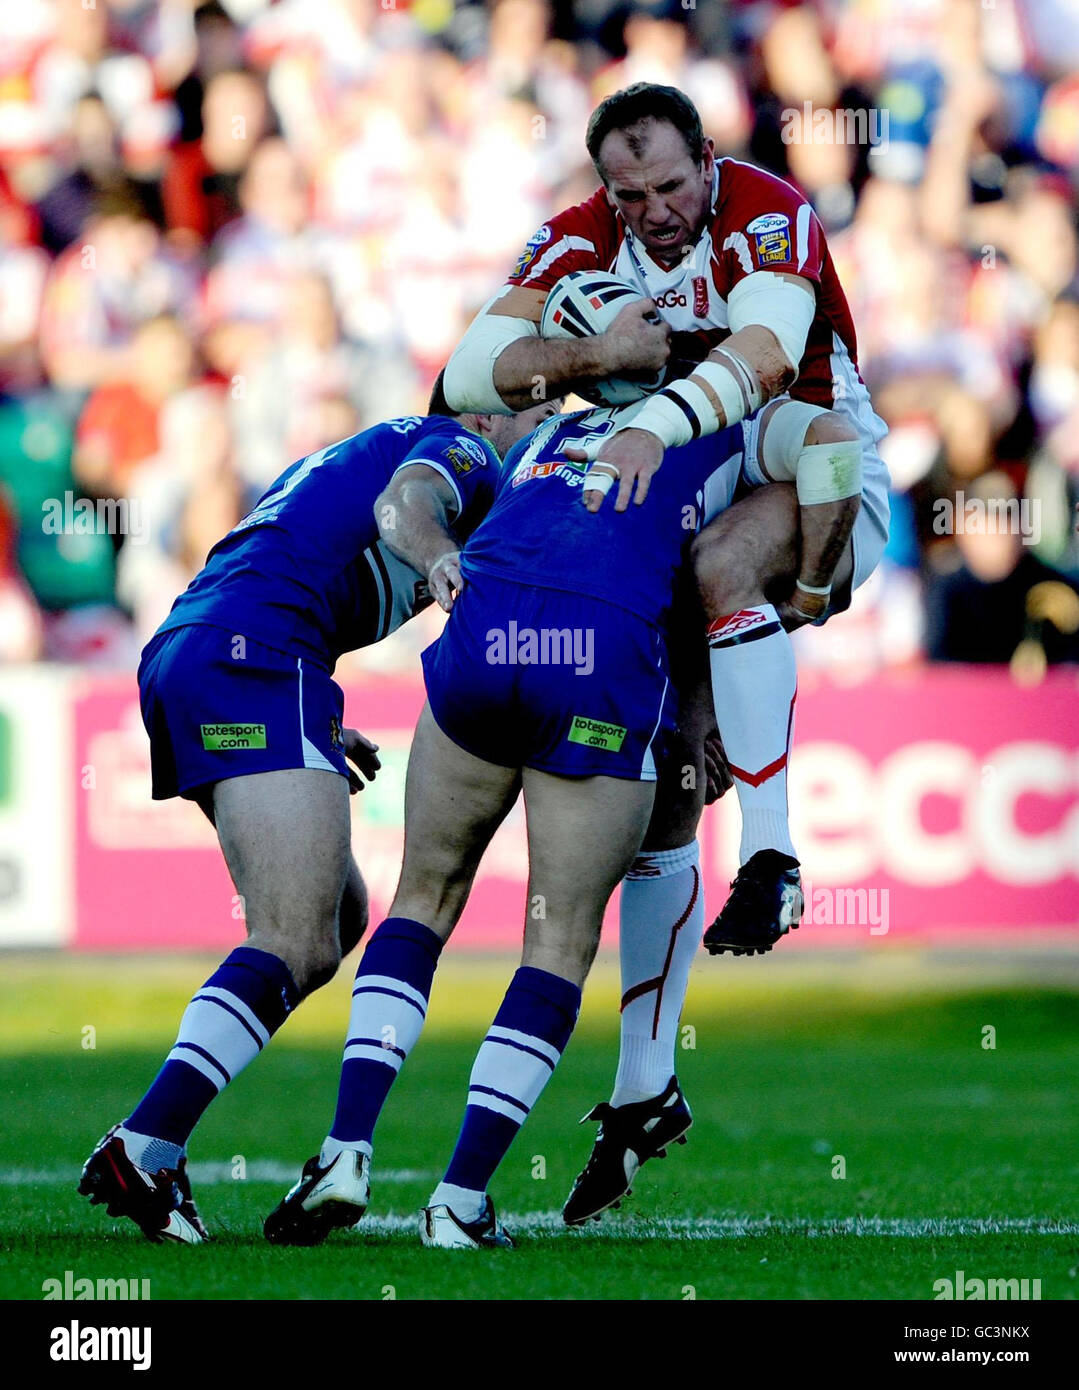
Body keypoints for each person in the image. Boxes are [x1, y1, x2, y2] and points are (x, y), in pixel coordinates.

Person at [264, 383, 859, 1247]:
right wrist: (806, 587)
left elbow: (433, 506)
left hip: (486, 623)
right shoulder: (738, 416)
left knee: (421, 901)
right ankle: (457, 1201)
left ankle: (344, 1149)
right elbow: (836, 444)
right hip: (598, 646)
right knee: (558, 941)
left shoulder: (550, 427)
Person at [78, 380, 555, 1244]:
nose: (549, 428)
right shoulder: (461, 451)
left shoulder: (363, 451)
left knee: (338, 916)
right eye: (537, 412)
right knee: (294, 936)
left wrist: (321, 722)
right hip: (257, 662)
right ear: (484, 414)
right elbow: (401, 508)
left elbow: (288, 567)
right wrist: (443, 560)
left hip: (213, 654)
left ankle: (154, 1143)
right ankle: (145, 1144)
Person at [444, 82, 891, 959]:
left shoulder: (768, 209)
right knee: (673, 788)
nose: (654, 213)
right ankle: (646, 1087)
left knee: (731, 556)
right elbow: (465, 374)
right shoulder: (580, 232)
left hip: (810, 466)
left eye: (672, 188)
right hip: (693, 491)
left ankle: (772, 856)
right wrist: (597, 354)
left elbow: (764, 360)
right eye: (631, 196)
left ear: (708, 164)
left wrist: (648, 423)